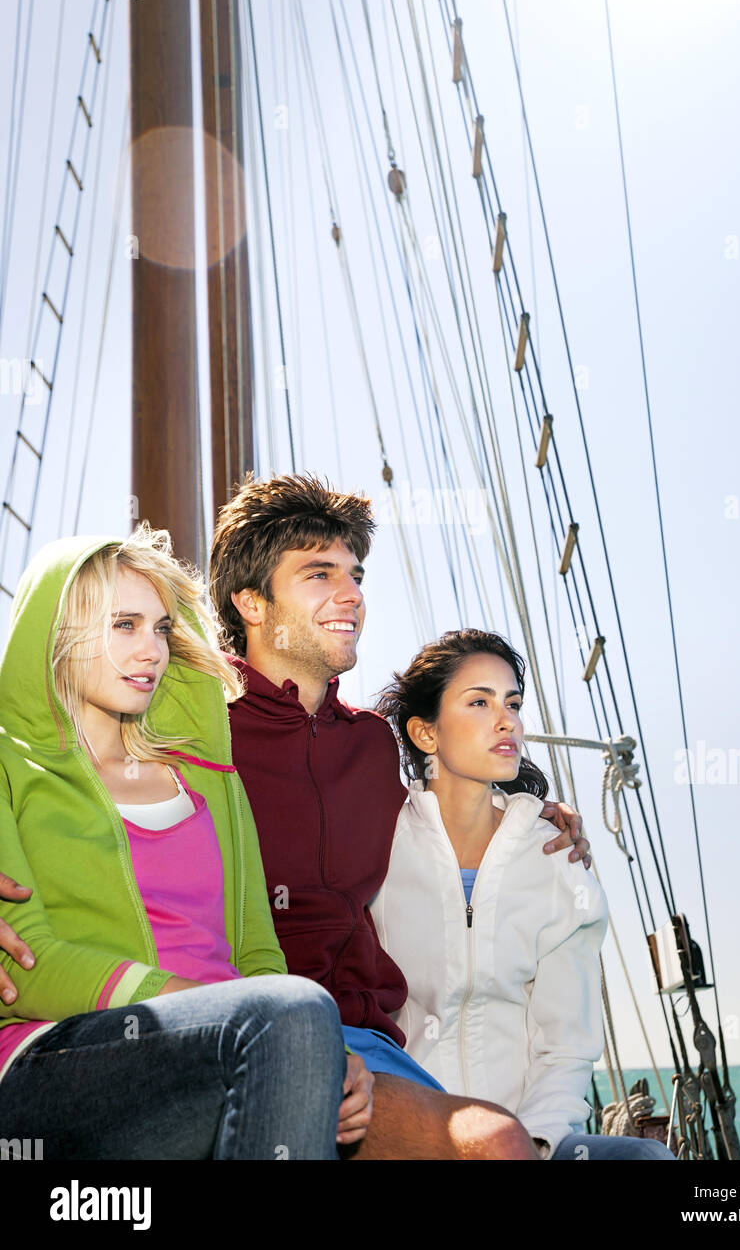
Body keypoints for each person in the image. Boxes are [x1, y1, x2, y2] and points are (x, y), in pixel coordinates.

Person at [207, 473, 591, 1159]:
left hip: (374, 1047)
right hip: (250, 1033)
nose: (352, 593)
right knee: (496, 1145)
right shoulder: (199, 731)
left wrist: (537, 811)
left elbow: (449, 795)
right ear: (251, 602)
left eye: (354, 574)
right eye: (318, 573)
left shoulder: (369, 745)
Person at [0, 526, 360, 1159]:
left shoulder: (212, 781)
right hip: (55, 1052)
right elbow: (29, 966)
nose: (152, 651)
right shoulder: (8, 769)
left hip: (238, 1038)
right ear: (57, 633)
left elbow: (255, 952)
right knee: (293, 1015)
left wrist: (315, 1041)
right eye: (124, 625)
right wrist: (253, 1014)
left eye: (163, 629)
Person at [371, 628, 675, 1161]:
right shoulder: (375, 847)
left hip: (531, 1138)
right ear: (425, 733)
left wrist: (530, 1142)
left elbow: (567, 1044)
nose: (507, 719)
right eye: (479, 702)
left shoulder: (554, 857)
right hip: (407, 1133)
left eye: (512, 702)